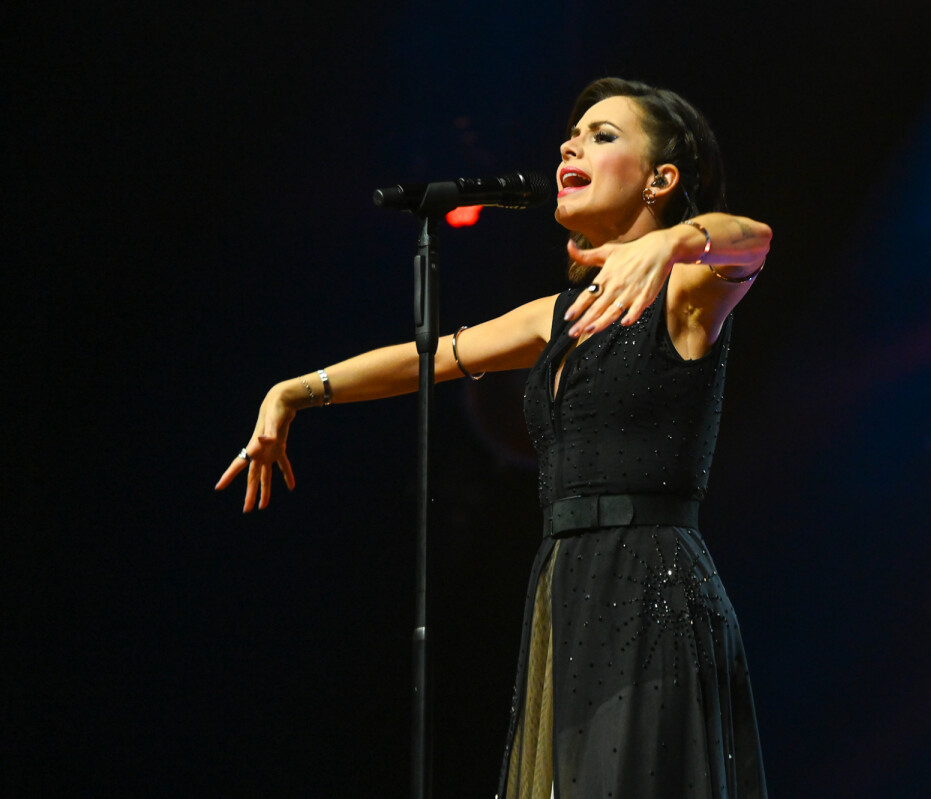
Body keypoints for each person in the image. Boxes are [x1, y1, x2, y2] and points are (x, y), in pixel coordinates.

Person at [216, 77, 772, 799]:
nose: (572, 143)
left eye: (604, 135)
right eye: (572, 134)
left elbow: (752, 243)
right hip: (567, 585)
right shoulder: (558, 314)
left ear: (661, 179)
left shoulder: (690, 290)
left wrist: (674, 241)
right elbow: (435, 356)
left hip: (653, 585)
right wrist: (293, 390)